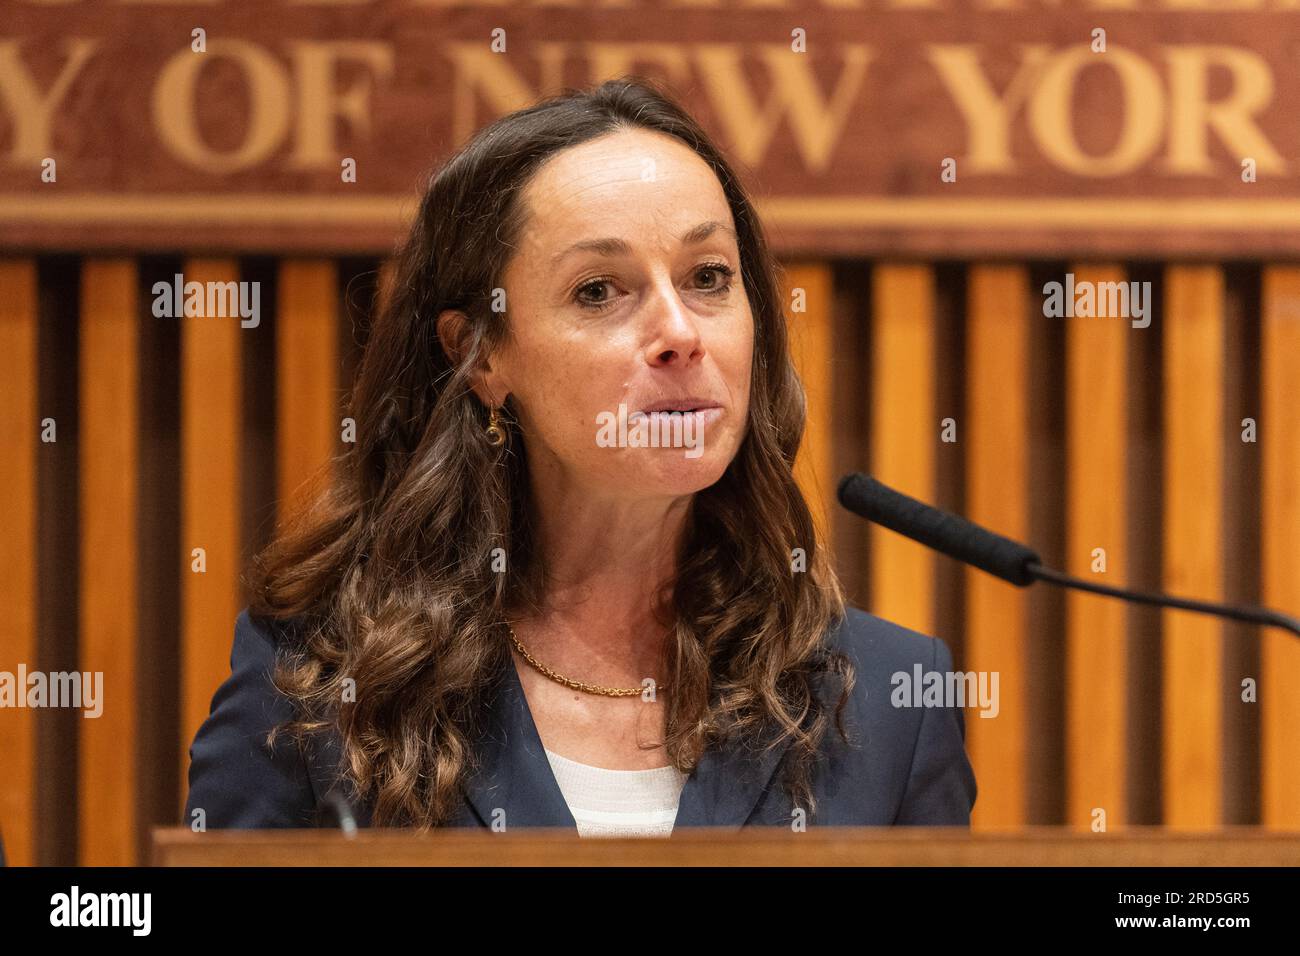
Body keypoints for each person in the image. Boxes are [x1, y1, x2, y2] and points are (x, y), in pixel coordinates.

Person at [184, 76, 976, 837]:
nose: (680, 334)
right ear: (483, 357)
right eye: (599, 290)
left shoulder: (889, 700)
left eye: (708, 277)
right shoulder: (322, 677)